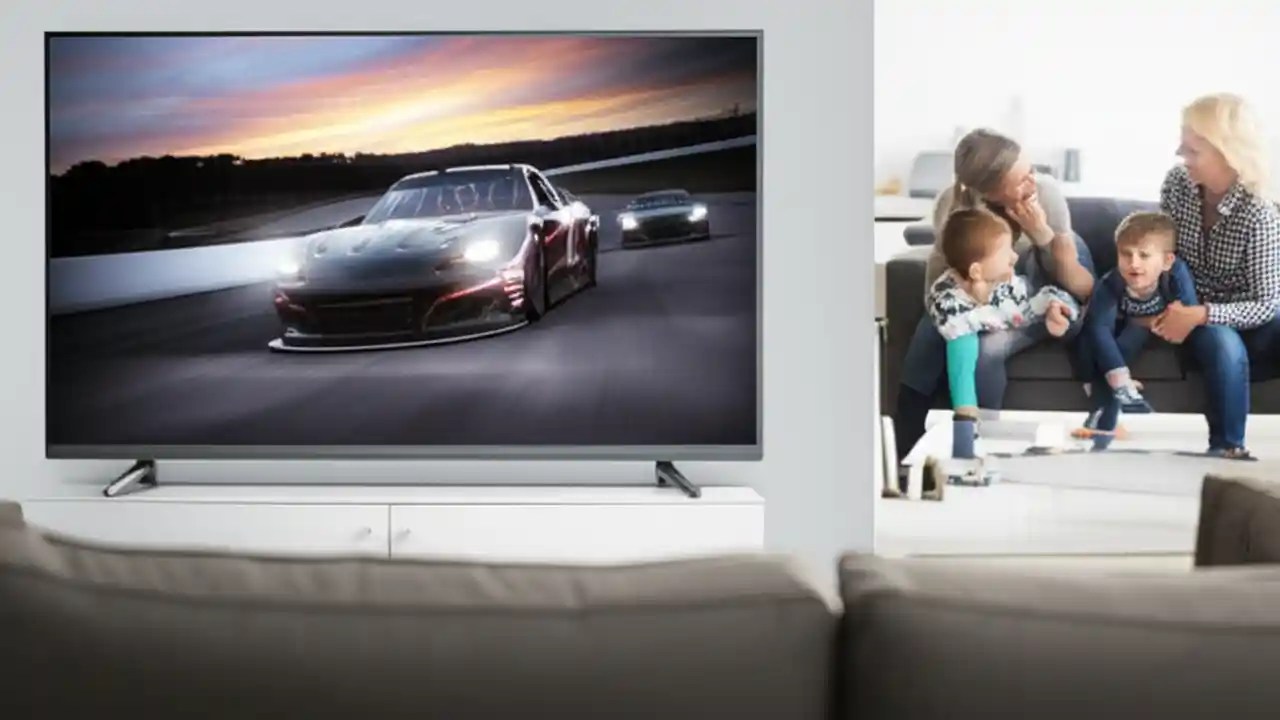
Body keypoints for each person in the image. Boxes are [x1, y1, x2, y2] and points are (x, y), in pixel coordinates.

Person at [892, 128, 1097, 485]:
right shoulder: (953, 207)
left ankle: (981, 449)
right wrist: (964, 312)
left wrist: (1042, 234)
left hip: (1031, 299)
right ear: (989, 189)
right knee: (929, 333)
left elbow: (1071, 283)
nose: (1031, 181)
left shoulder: (1045, 195)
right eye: (1019, 180)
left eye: (1030, 170)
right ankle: (901, 452)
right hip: (976, 297)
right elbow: (939, 278)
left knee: (986, 350)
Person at [1151, 93, 1280, 459]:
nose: (1180, 154)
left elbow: (1267, 304)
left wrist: (1204, 314)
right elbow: (1164, 256)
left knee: (1232, 336)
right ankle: (1226, 449)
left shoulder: (1259, 213)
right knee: (1222, 344)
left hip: (1251, 322)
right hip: (1190, 310)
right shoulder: (1177, 186)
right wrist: (1184, 308)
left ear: (1228, 152)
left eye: (1193, 149)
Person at [924, 207, 1077, 491]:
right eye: (1006, 251)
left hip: (1020, 312)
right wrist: (966, 412)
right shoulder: (949, 302)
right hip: (994, 321)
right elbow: (961, 359)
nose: (1014, 257)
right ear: (976, 271)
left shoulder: (1008, 280)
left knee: (1055, 305)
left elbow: (1029, 303)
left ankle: (1065, 318)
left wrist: (1052, 309)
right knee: (971, 345)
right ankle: (975, 424)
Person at [1073, 211, 1198, 449]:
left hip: (1155, 328)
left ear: (1167, 261)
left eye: (1144, 255)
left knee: (1134, 329)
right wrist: (1119, 374)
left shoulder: (1176, 275)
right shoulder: (1112, 282)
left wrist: (1150, 321)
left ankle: (1103, 408)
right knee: (1090, 336)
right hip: (1117, 332)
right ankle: (1115, 393)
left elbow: (1187, 311)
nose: (1134, 264)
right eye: (1126, 254)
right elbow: (1098, 326)